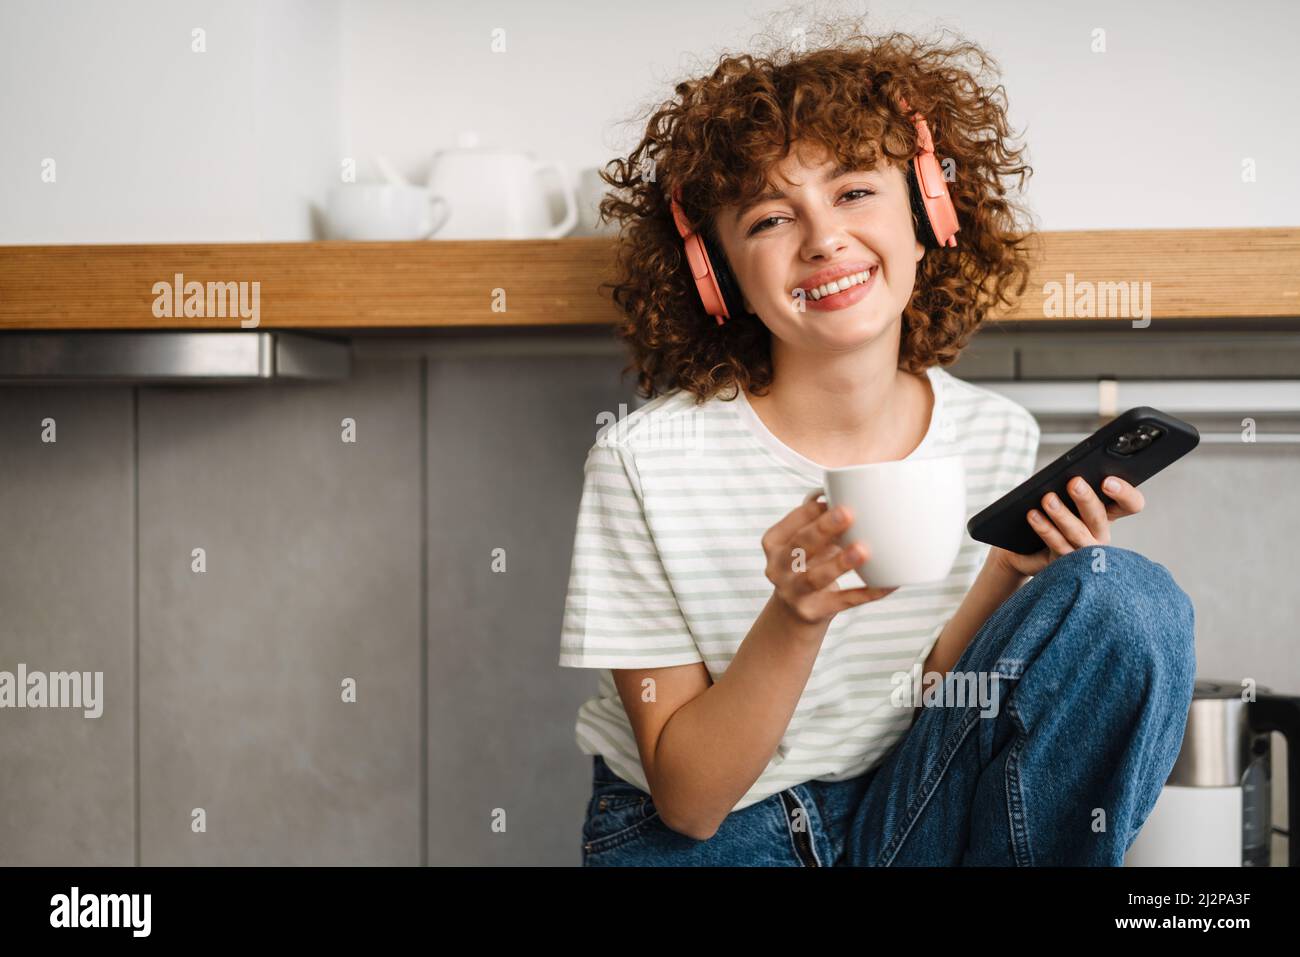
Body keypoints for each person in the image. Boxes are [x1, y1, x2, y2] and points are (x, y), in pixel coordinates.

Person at [557, 24, 1196, 866]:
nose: (823, 238)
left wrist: (1009, 573)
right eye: (770, 217)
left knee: (1124, 595)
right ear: (718, 275)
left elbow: (936, 704)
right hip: (713, 835)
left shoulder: (996, 434)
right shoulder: (643, 462)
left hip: (903, 809)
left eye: (855, 191)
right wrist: (795, 615)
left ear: (929, 208)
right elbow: (691, 802)